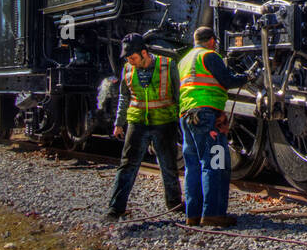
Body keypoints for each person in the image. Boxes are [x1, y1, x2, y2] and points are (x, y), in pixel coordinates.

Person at [104, 33, 183, 221]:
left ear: (144, 53)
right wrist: (119, 123)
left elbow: (178, 93)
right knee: (127, 166)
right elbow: (124, 97)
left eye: (133, 58)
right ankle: (115, 208)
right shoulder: (128, 69)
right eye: (128, 59)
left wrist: (181, 120)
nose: (130, 61)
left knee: (169, 165)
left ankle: (174, 204)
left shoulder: (168, 65)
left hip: (164, 122)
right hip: (137, 123)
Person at [177, 26, 248, 227]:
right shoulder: (209, 56)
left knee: (192, 166)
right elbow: (227, 80)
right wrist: (248, 77)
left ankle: (193, 214)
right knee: (215, 164)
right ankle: (213, 214)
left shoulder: (184, 60)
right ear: (211, 41)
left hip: (187, 116)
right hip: (207, 117)